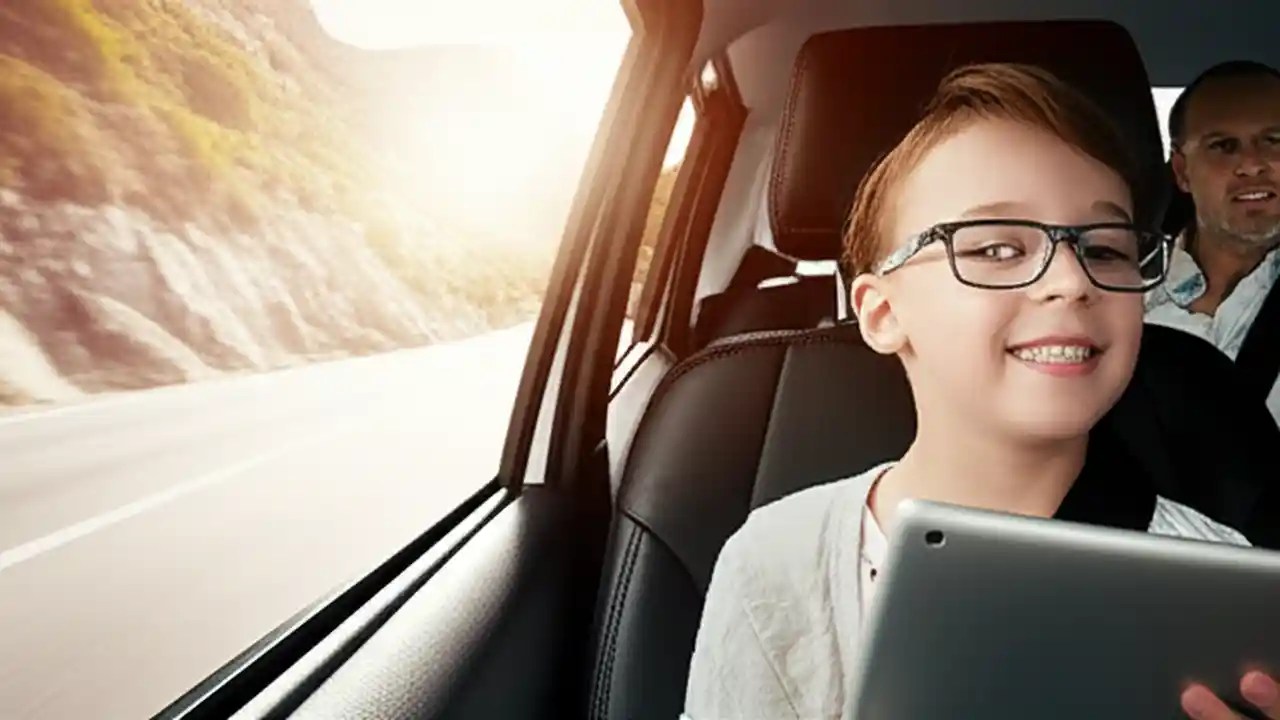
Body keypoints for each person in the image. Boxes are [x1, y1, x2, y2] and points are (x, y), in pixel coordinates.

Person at [680, 62, 1274, 720]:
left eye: (1106, 250)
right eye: (995, 249)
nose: (1072, 281)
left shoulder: (1224, 573)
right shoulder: (779, 561)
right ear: (883, 313)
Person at [1146, 61, 1280, 424]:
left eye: (1273, 141)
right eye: (1223, 146)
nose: (1252, 165)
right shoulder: (1119, 293)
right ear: (1182, 171)